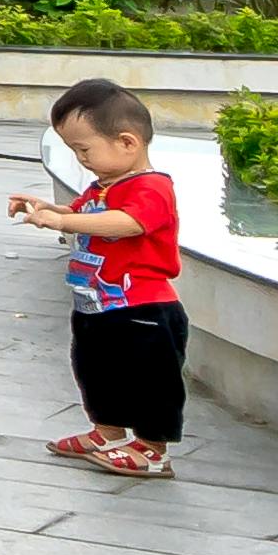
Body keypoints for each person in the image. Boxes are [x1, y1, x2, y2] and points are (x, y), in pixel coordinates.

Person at [16, 81, 188, 477]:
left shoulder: (152, 187)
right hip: (96, 304)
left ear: (127, 142)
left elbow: (127, 223)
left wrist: (63, 222)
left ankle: (152, 449)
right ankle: (107, 432)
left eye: (84, 150)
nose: (81, 160)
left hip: (143, 307)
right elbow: (82, 213)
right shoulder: (102, 188)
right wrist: (47, 209)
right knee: (95, 369)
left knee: (149, 379)